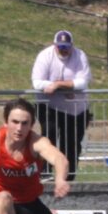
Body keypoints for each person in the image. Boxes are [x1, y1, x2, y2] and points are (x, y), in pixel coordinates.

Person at [30, 29, 91, 177]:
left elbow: (83, 82)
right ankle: (45, 172)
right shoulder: (45, 56)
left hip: (76, 109)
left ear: (72, 46)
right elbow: (37, 82)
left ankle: (67, 175)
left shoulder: (80, 56)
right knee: (48, 138)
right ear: (54, 45)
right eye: (61, 47)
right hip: (49, 107)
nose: (64, 50)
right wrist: (67, 87)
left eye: (66, 47)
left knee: (71, 142)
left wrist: (58, 85)